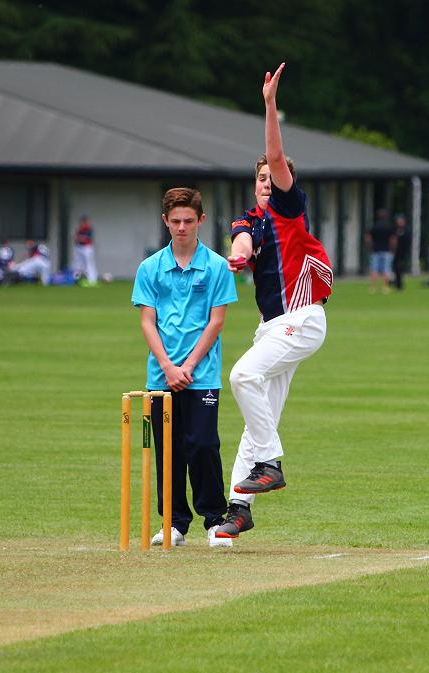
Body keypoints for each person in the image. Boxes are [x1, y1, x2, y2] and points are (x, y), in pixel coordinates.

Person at [217, 63, 333, 540]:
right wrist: (239, 255)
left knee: (242, 376)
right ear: (254, 185)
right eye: (261, 178)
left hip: (301, 319)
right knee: (258, 414)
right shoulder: (249, 220)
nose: (267, 181)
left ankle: (270, 464)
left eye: (273, 175)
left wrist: (269, 105)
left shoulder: (289, 206)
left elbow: (276, 155)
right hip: (272, 327)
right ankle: (239, 508)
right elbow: (242, 240)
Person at [132, 188, 238, 548]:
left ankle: (215, 520)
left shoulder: (217, 266)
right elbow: (147, 322)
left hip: (201, 375)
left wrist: (188, 366)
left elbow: (216, 321)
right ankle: (174, 523)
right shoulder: (150, 268)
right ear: (165, 221)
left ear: (201, 221)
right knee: (168, 450)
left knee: (204, 446)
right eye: (175, 221)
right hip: (161, 376)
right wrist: (167, 366)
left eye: (188, 221)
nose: (181, 227)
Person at [366, 208, 396, 294]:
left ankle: (373, 287)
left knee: (374, 269)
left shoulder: (374, 226)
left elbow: (368, 237)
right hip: (386, 250)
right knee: (386, 270)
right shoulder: (389, 226)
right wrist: (392, 249)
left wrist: (371, 246)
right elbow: (393, 239)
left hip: (375, 250)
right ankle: (385, 287)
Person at [72, 215, 98, 285]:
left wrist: (79, 238)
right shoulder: (79, 229)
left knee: (89, 264)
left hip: (87, 248)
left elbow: (84, 239)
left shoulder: (89, 229)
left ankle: (92, 280)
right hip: (78, 247)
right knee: (77, 264)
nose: (86, 223)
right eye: (84, 221)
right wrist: (79, 238)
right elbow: (75, 238)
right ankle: (76, 279)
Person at [391, 212, 411, 291]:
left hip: (402, 253)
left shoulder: (406, 231)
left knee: (399, 268)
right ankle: (397, 283)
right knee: (396, 268)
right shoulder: (394, 230)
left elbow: (407, 243)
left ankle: (399, 285)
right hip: (395, 252)